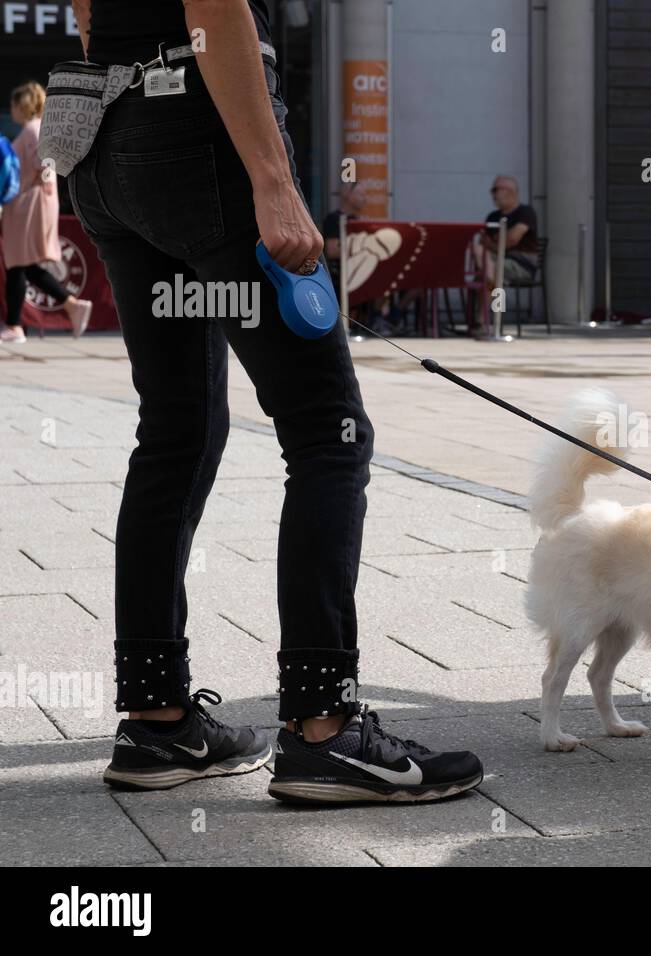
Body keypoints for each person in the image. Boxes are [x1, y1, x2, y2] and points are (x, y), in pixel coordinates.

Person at [65, 0, 481, 802]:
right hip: (198, 138)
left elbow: (87, 10)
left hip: (108, 145)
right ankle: (325, 729)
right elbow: (214, 7)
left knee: (177, 428)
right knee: (330, 433)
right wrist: (273, 180)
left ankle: (157, 723)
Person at [2, 82, 93, 343]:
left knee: (18, 265)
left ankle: (15, 326)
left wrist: (41, 185)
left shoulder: (31, 130)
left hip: (27, 206)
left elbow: (45, 166)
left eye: (14, 104)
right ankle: (71, 306)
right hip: (32, 203)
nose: (12, 109)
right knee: (25, 266)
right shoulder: (38, 129)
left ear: (22, 106)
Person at [473, 174, 539, 290]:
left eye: (495, 190)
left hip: (521, 265)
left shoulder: (526, 212)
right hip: (497, 262)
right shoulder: (492, 216)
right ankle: (489, 293)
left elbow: (511, 240)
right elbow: (483, 244)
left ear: (510, 191)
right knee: (478, 251)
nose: (492, 195)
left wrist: (492, 244)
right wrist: (497, 243)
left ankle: (489, 302)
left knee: (484, 274)